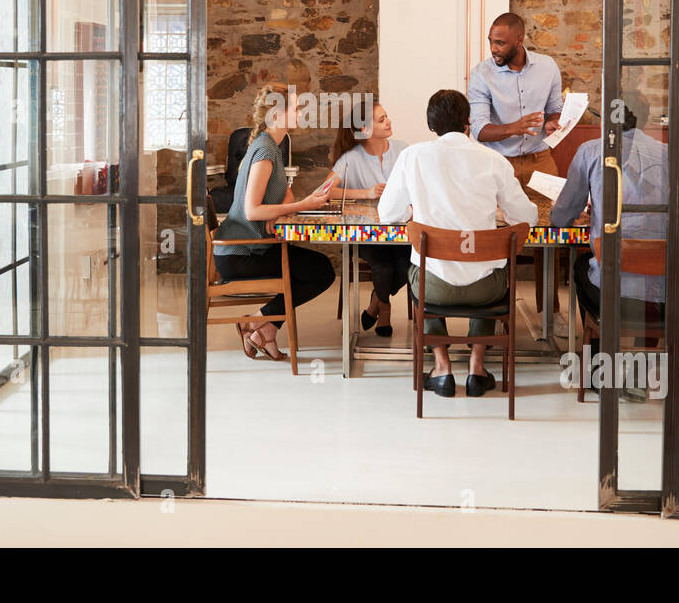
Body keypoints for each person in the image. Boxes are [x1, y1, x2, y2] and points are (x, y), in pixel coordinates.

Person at [377, 89, 540, 398]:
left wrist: (413, 212)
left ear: (431, 124)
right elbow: (527, 217)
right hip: (486, 289)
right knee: (488, 267)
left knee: (424, 267)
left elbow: (387, 215)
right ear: (468, 122)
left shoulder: (412, 156)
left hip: (434, 287)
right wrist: (500, 213)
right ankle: (477, 368)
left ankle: (442, 367)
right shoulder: (493, 160)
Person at [549, 91, 679, 397]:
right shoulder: (667, 153)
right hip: (665, 293)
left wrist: (590, 211)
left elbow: (561, 217)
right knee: (646, 268)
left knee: (583, 267)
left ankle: (600, 368)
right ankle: (638, 372)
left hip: (615, 290)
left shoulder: (592, 151)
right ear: (645, 120)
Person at [214, 83, 337, 362]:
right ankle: (257, 322)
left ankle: (265, 329)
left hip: (250, 248)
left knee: (316, 268)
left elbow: (284, 193)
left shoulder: (272, 146)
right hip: (239, 253)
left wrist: (278, 212)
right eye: (295, 108)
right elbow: (252, 210)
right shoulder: (265, 150)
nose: (300, 113)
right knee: (321, 270)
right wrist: (304, 205)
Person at [467, 11, 565, 314]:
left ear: (519, 41)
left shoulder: (547, 67)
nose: (493, 49)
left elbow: (555, 109)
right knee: (496, 233)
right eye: (491, 42)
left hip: (541, 161)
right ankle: (496, 312)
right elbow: (479, 130)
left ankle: (549, 312)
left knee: (550, 234)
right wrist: (515, 127)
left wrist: (553, 123)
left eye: (500, 43)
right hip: (498, 164)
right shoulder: (481, 74)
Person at [328, 100, 411, 337]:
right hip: (367, 233)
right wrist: (366, 193)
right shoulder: (351, 158)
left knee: (407, 265)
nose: (389, 121)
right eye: (382, 119)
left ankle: (376, 301)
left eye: (387, 116)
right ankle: (384, 311)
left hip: (401, 230)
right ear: (365, 129)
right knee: (383, 267)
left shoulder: (403, 150)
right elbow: (327, 191)